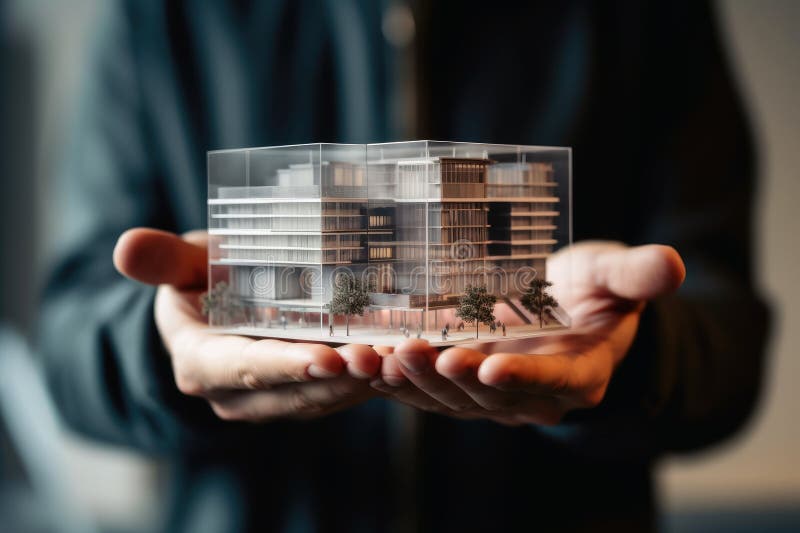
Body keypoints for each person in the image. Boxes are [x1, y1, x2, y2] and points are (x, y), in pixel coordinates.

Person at [39, 2, 769, 532]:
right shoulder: (160, 18)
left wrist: (632, 355)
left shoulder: (650, 16)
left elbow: (726, 338)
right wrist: (157, 346)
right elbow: (73, 334)